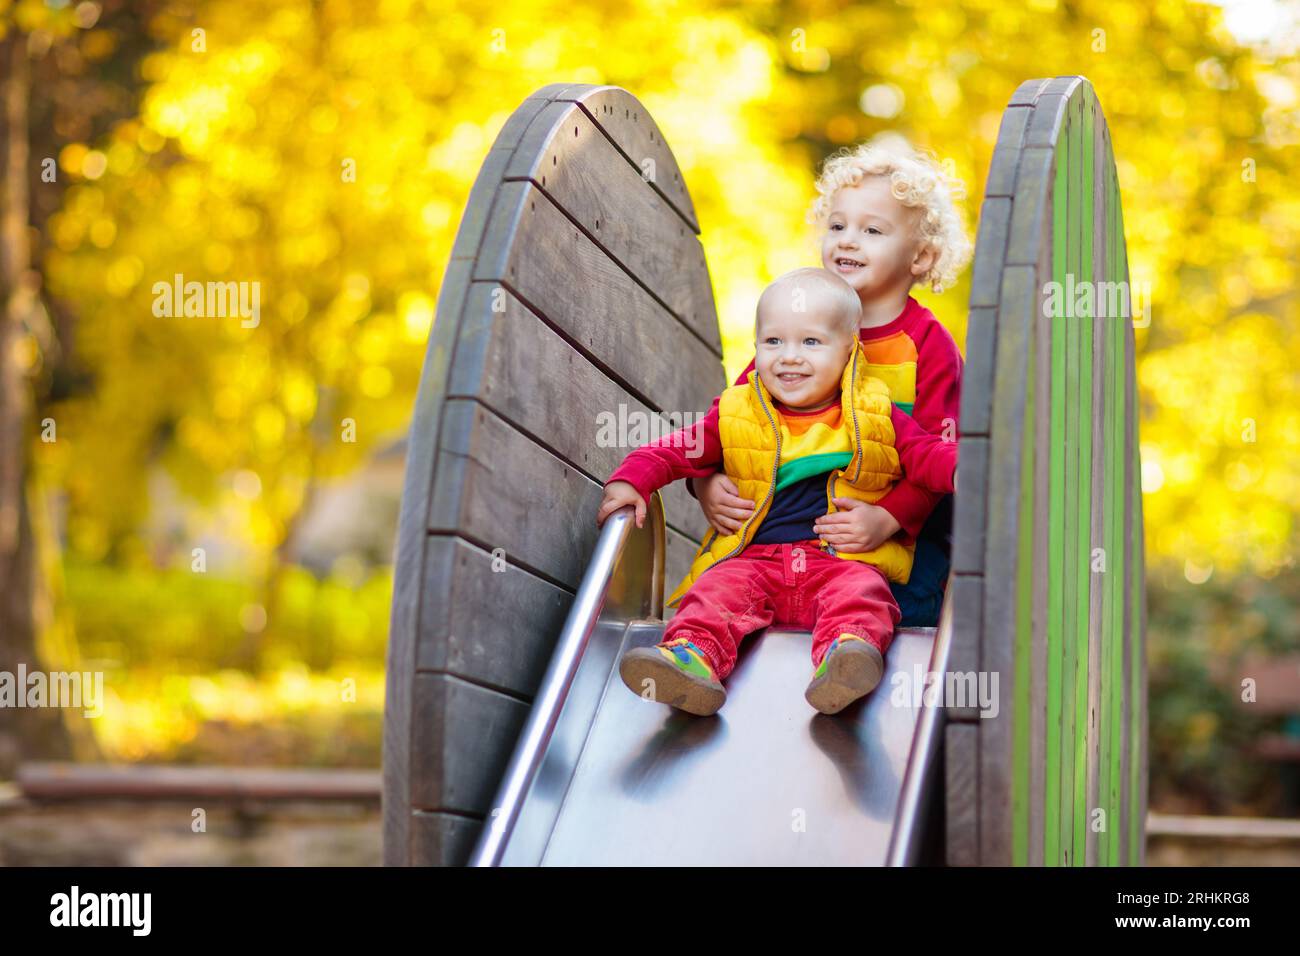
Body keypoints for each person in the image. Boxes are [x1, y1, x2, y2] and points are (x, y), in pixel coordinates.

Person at [597, 268, 957, 717]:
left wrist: (968, 471)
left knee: (865, 592)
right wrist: (633, 479)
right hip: (754, 563)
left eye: (810, 343)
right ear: (755, 347)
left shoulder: (874, 413)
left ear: (849, 351)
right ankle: (690, 660)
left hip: (837, 562)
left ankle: (844, 658)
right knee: (713, 594)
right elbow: (677, 449)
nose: (789, 357)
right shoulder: (738, 412)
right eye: (773, 342)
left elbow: (926, 454)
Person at [690, 141, 972, 628]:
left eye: (871, 230)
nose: (846, 240)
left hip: (900, 532)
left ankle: (873, 670)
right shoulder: (800, 321)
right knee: (732, 586)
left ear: (921, 257)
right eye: (837, 225)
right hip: (794, 532)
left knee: (901, 612)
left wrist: (887, 518)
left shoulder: (927, 343)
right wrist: (705, 482)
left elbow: (937, 457)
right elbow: (735, 413)